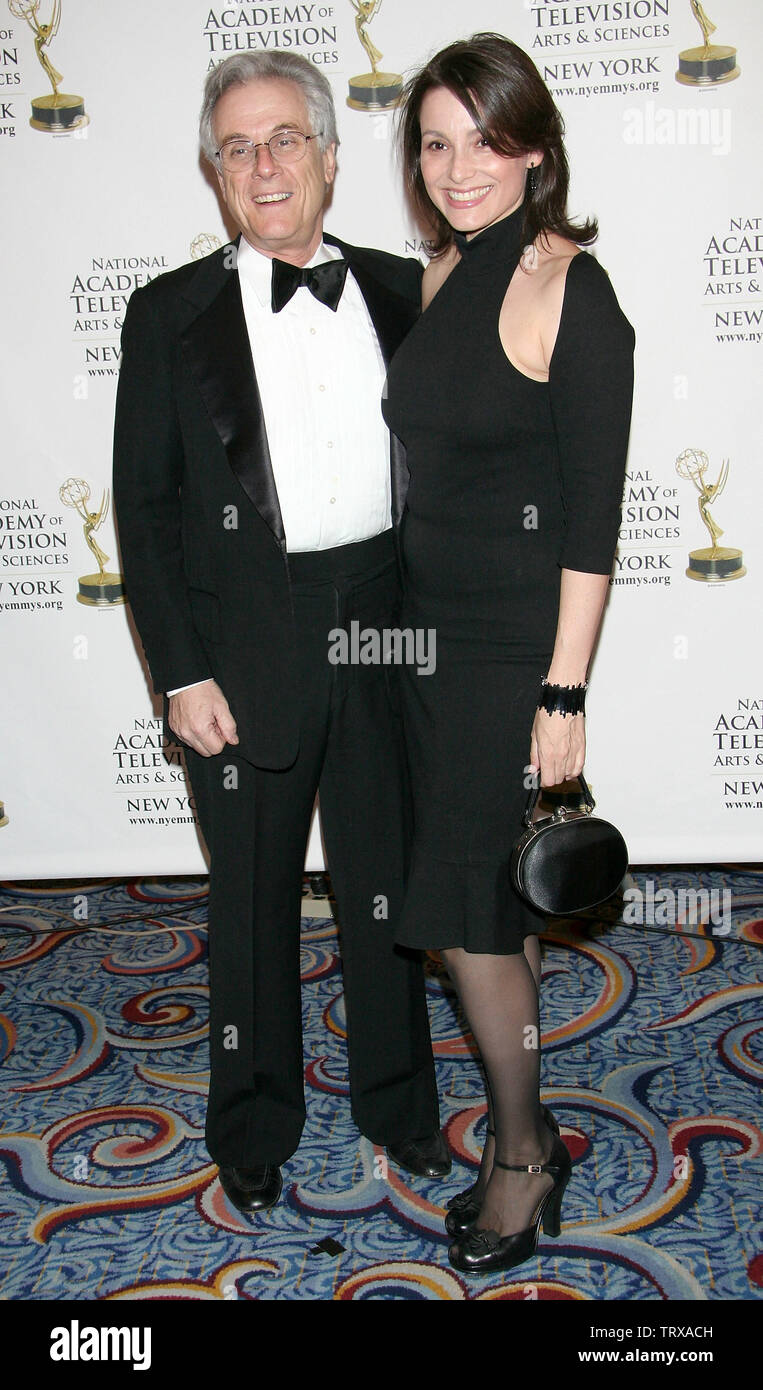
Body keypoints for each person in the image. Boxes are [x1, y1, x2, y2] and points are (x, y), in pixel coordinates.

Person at [112, 50, 449, 1217]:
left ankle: (401, 1104)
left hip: (387, 624)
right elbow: (144, 510)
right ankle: (252, 1116)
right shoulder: (167, 313)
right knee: (249, 895)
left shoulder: (411, 290)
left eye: (285, 139)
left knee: (386, 885)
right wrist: (181, 671)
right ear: (215, 173)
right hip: (245, 640)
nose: (264, 165)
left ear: (330, 155)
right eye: (238, 147)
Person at [383, 33, 634, 1274]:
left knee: (470, 924)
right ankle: (528, 1130)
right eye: (433, 141)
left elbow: (593, 518)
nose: (456, 165)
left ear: (532, 144)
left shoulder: (568, 286)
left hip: (507, 652)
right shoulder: (444, 274)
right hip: (425, 644)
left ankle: (525, 1153)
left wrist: (561, 693)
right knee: (492, 905)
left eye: (482, 138)